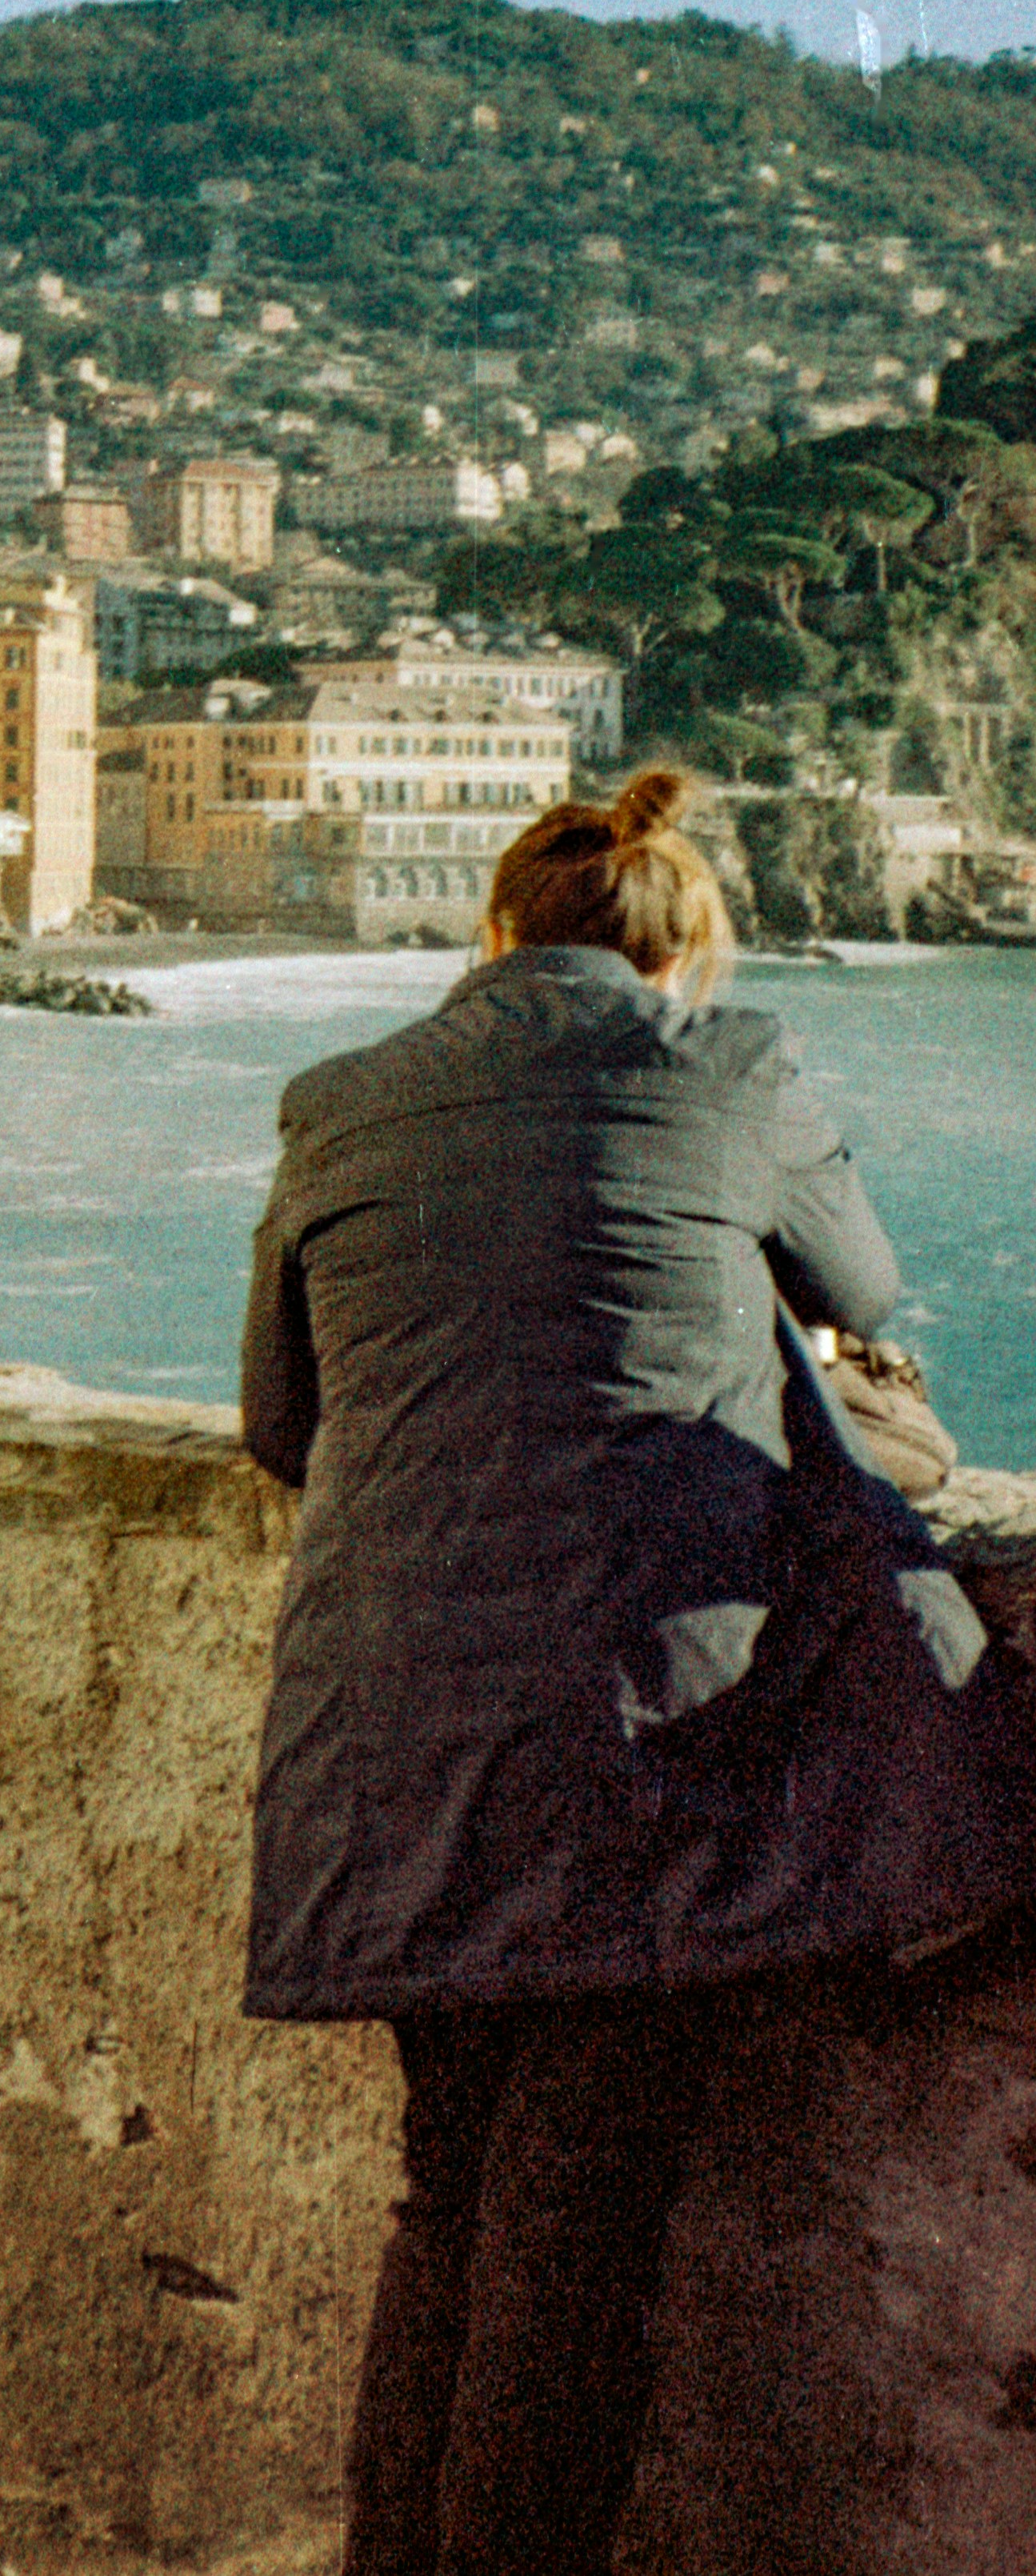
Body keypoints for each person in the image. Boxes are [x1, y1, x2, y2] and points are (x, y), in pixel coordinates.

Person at [241, 767, 1031, 2576]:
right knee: (571, 2235)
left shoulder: (338, 1104)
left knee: (448, 2200)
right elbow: (868, 1279)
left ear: (501, 932)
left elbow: (281, 1423)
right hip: (634, 1729)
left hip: (378, 1741)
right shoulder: (722, 1066)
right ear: (678, 951)